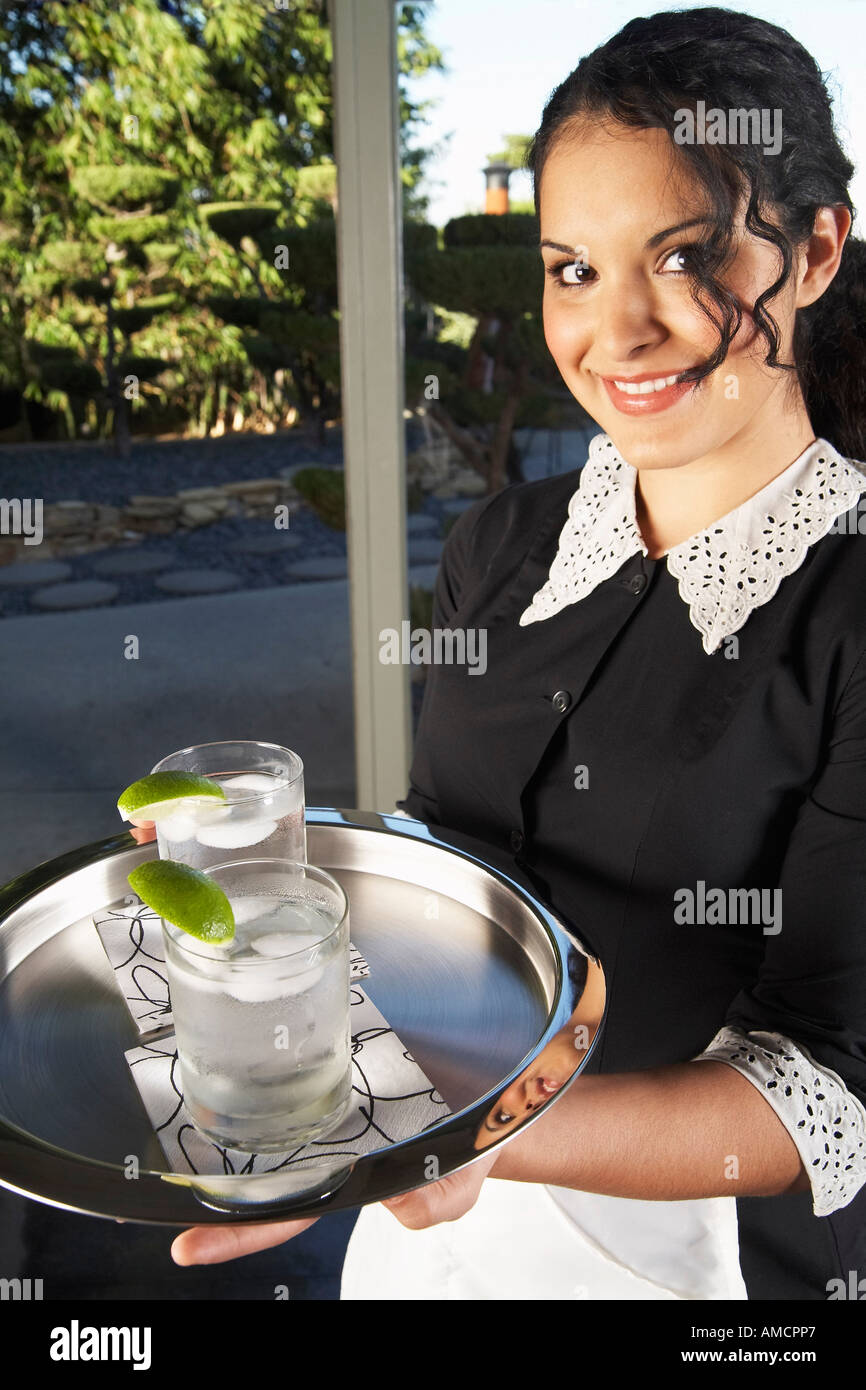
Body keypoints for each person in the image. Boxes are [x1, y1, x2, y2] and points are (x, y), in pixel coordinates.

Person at [167, 8, 866, 1298]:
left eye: (687, 254)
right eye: (573, 268)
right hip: (428, 1198)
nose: (619, 333)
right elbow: (446, 846)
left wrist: (485, 1139)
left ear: (815, 251)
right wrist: (276, 876)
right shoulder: (500, 542)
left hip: (687, 1253)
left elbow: (829, 1087)